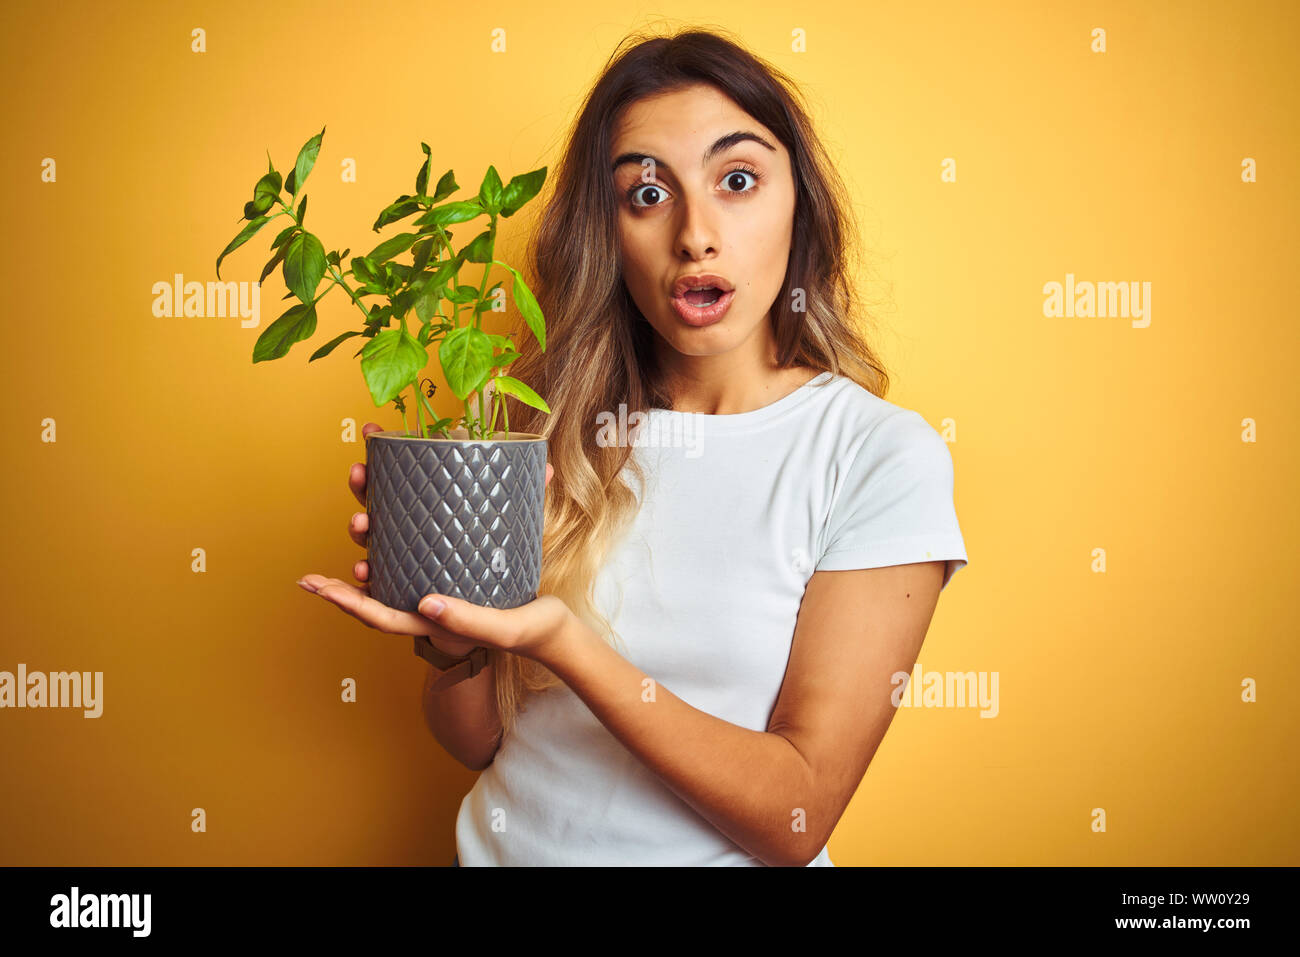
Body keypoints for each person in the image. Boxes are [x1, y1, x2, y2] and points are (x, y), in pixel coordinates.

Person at [298, 27, 969, 866]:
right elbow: (474, 744)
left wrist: (562, 644)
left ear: (800, 205)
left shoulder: (876, 456)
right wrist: (455, 642)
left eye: (736, 180)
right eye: (646, 196)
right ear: (605, 234)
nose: (695, 234)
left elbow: (795, 815)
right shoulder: (547, 434)